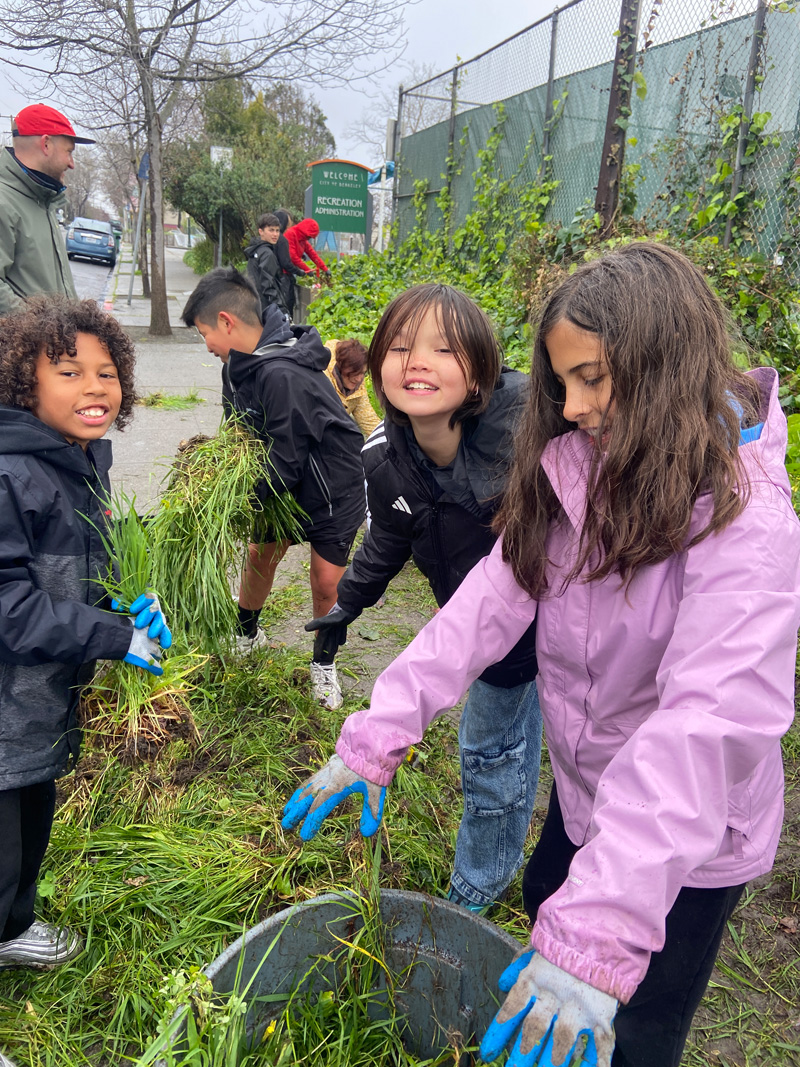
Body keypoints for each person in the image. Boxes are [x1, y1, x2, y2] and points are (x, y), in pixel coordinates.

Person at [284, 243, 800, 1066]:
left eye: (595, 377)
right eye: (562, 383)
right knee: (542, 897)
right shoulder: (578, 468)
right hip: (589, 784)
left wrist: (597, 936)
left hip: (688, 838)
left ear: (665, 362)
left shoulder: (746, 517)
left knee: (634, 1028)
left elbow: (710, 722)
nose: (577, 405)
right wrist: (378, 732)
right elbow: (483, 607)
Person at [305, 283, 542, 915]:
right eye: (401, 346)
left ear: (482, 370)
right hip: (476, 630)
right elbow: (390, 533)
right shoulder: (385, 456)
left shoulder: (528, 436)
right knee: (507, 740)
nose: (417, 361)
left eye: (443, 349)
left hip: (540, 627)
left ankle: (478, 887)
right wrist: (347, 604)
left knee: (491, 755)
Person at [0, 296, 172, 987]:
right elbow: (9, 605)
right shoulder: (11, 473)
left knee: (32, 819)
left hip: (36, 707)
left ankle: (12, 927)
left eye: (107, 372)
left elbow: (70, 579)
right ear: (22, 383)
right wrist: (110, 634)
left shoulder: (77, 463)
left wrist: (121, 604)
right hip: (5, 709)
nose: (94, 387)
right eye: (69, 372)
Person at [181, 267, 365, 710]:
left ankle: (323, 664)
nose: (206, 345)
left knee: (325, 582)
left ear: (227, 321)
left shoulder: (282, 374)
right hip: (281, 486)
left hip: (330, 489)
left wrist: (230, 505)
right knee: (259, 556)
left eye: (205, 333)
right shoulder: (237, 368)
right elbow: (240, 435)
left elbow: (285, 458)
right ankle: (247, 634)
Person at [0, 104, 95, 315]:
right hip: (31, 346)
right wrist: (42, 330)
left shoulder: (43, 201)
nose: (72, 164)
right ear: (46, 144)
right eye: (69, 152)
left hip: (53, 347)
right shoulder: (4, 201)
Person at [322, 338, 381, 437]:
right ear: (341, 367)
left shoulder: (357, 386)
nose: (358, 379)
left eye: (363, 373)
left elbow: (368, 420)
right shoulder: (322, 377)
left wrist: (388, 443)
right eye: (354, 374)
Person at [244, 213, 289, 321]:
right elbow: (269, 287)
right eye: (271, 230)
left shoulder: (255, 250)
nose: (275, 234)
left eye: (277, 231)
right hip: (265, 309)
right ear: (261, 231)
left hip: (253, 305)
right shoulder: (267, 254)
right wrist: (282, 311)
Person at [272, 210, 306, 321]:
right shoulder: (282, 240)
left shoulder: (274, 239)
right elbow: (285, 262)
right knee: (287, 308)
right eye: (289, 221)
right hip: (283, 279)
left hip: (275, 279)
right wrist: (299, 271)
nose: (291, 224)